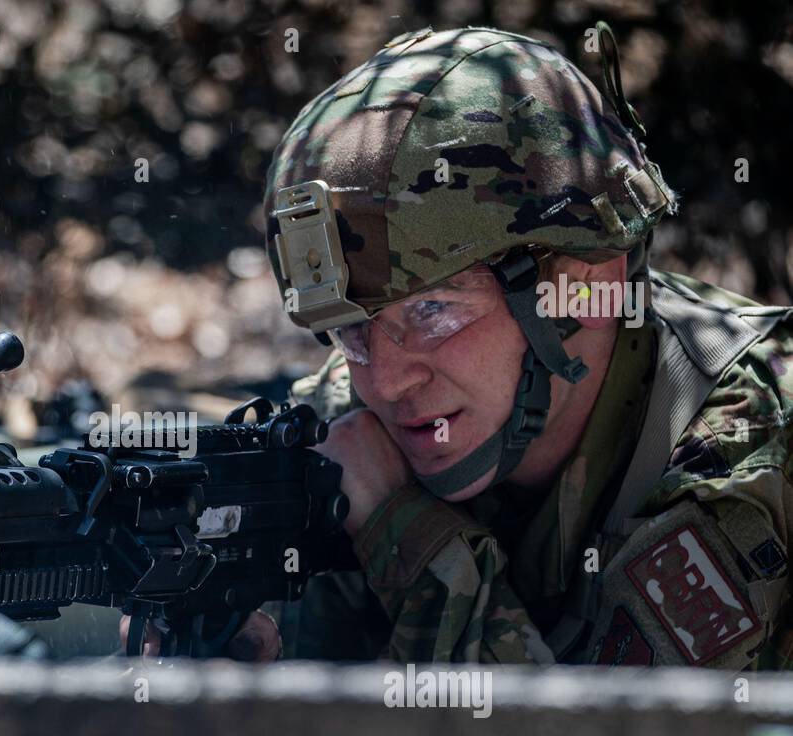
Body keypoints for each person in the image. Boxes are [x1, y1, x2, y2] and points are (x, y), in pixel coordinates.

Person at [181, 23, 792, 669]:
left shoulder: (745, 441)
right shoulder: (349, 421)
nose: (384, 382)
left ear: (586, 282)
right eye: (350, 329)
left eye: (434, 310)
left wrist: (408, 540)